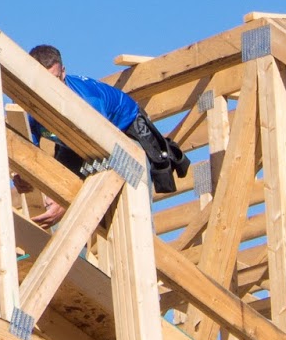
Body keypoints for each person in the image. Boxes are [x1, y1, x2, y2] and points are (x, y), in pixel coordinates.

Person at [22, 43, 190, 224]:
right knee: (56, 194)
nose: (51, 89)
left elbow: (102, 155)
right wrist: (25, 176)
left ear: (63, 72)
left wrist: (69, 199)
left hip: (124, 133)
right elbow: (33, 155)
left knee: (132, 197)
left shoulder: (88, 101)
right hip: (75, 143)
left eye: (56, 80)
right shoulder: (34, 111)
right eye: (44, 82)